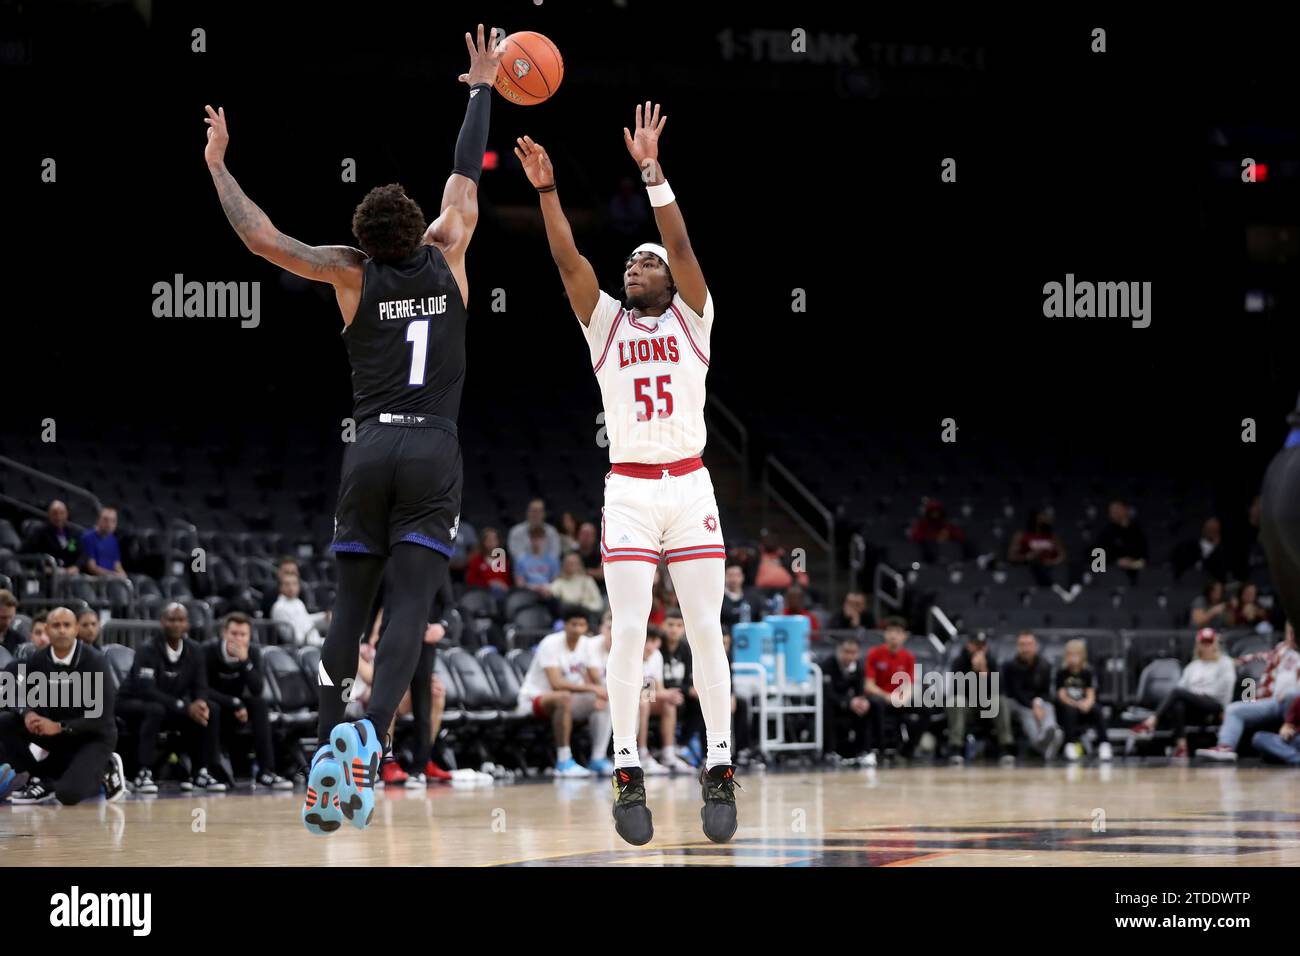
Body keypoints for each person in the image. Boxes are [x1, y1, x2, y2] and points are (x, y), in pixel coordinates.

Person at [204, 25, 503, 835]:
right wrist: (480, 88)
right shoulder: (451, 248)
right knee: (410, 604)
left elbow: (264, 239)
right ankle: (372, 738)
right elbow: (464, 175)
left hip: (368, 449)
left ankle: (335, 731)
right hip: (433, 446)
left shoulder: (347, 272)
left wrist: (220, 167)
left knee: (351, 602)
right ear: (420, 225)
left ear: (365, 240)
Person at [515, 102, 735, 845]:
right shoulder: (605, 321)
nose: (632, 267)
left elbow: (677, 236)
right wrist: (547, 192)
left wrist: (652, 173)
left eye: (645, 262)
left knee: (706, 629)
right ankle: (627, 769)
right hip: (633, 489)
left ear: (670, 278)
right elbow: (567, 260)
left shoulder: (694, 316)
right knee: (630, 629)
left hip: (691, 484)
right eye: (630, 262)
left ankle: (721, 766)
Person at [0, 607, 124, 805]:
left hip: (93, 736)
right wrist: (28, 713)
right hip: (57, 735)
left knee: (68, 795)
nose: (62, 630)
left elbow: (103, 716)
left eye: (67, 625)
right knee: (5, 721)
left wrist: (59, 726)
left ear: (76, 630)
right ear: (47, 630)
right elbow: (13, 695)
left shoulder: (95, 661)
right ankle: (40, 779)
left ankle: (106, 766)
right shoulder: (38, 660)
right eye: (56, 625)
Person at [118, 603, 226, 793]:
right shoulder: (147, 649)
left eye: (181, 620)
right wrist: (185, 707)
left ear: (187, 624)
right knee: (155, 709)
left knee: (211, 709)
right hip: (132, 702)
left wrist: (200, 702)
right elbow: (146, 690)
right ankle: (144, 772)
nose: (176, 624)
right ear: (162, 622)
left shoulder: (195, 650)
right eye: (171, 620)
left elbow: (200, 685)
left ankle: (201, 771)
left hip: (168, 703)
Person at [204, 612, 292, 789]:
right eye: (234, 633)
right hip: (215, 704)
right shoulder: (208, 651)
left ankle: (266, 771)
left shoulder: (252, 652)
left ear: (249, 636)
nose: (238, 639)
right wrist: (234, 703)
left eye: (243, 635)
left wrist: (245, 662)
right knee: (212, 707)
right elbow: (202, 689)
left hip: (238, 707)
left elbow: (257, 688)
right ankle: (212, 772)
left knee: (259, 704)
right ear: (224, 633)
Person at [515, 608, 605, 777]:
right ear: (565, 625)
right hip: (535, 698)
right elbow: (556, 683)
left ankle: (598, 758)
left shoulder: (587, 644)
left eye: (582, 625)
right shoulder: (550, 643)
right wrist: (593, 689)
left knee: (606, 701)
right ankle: (564, 760)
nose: (578, 629)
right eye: (574, 624)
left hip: (570, 699)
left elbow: (594, 676)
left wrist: (600, 692)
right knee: (563, 697)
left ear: (586, 627)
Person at [1197, 624, 1300, 762]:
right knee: (1234, 709)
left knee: (1293, 694)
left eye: (1295, 632)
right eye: (1290, 632)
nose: (1292, 636)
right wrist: (1235, 661)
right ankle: (1225, 747)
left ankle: (1290, 743)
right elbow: (1260, 656)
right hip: (1273, 701)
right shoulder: (1282, 649)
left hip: (1294, 701)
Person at [1133, 627, 1235, 759]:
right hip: (1194, 705)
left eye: (1209, 642)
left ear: (1215, 644)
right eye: (1204, 643)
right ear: (1198, 645)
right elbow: (1182, 687)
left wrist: (1197, 694)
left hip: (1215, 704)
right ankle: (1182, 747)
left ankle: (1151, 722)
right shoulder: (1193, 666)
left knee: (1177, 693)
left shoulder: (1225, 663)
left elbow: (1225, 688)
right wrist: (1192, 696)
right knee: (1178, 704)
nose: (1207, 646)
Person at [944, 632, 1014, 765]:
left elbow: (999, 690)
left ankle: (1006, 747)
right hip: (967, 708)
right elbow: (958, 690)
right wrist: (973, 673)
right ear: (968, 645)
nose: (979, 649)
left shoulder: (991, 662)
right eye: (976, 645)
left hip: (987, 708)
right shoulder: (959, 662)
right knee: (956, 701)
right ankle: (955, 748)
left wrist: (984, 674)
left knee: (1000, 701)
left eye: (982, 646)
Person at [864, 618, 922, 755]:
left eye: (897, 632)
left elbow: (909, 684)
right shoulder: (874, 653)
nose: (893, 636)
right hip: (880, 697)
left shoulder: (908, 657)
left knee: (925, 707)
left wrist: (903, 698)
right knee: (877, 704)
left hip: (899, 698)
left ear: (904, 636)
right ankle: (881, 749)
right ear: (884, 634)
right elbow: (869, 685)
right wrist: (887, 696)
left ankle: (909, 748)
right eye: (890, 631)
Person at [1003, 631, 1064, 760]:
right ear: (1018, 647)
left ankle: (1049, 731)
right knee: (1027, 713)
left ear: (1035, 646)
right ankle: (1045, 739)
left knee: (1048, 707)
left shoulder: (1045, 665)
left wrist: (1037, 702)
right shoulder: (1009, 666)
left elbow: (1046, 692)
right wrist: (1032, 705)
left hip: (1037, 701)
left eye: (1029, 644)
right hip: (1017, 703)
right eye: (1022, 644)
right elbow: (1015, 692)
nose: (1025, 648)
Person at [1054, 639, 1113, 762]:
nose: (1073, 658)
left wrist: (1086, 703)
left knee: (1097, 709)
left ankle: (1104, 744)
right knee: (1070, 710)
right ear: (1066, 656)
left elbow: (1091, 694)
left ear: (1082, 656)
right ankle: (1069, 744)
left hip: (1084, 708)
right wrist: (1076, 704)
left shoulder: (1087, 672)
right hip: (1068, 708)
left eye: (1076, 655)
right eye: (1070, 654)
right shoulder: (1061, 673)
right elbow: (1062, 695)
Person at [823, 635, 876, 766]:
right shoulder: (827, 665)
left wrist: (861, 701)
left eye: (854, 653)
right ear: (839, 650)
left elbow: (859, 691)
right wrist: (848, 703)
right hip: (831, 704)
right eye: (846, 652)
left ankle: (864, 751)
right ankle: (830, 752)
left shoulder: (858, 666)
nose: (850, 656)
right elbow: (828, 694)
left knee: (868, 706)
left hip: (848, 705)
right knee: (827, 707)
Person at [1008, 508, 1067, 586]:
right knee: (1036, 566)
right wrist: (1027, 557)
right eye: (1041, 518)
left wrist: (1051, 562)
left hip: (1050, 568)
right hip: (1029, 568)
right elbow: (1011, 556)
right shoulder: (1022, 536)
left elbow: (1062, 556)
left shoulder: (1052, 537)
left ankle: (1053, 586)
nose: (1045, 520)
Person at [1095, 499, 1148, 582]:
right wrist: (1117, 562)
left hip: (1135, 571)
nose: (1114, 513)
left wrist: (1132, 563)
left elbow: (1145, 558)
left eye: (1117, 509)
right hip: (1112, 573)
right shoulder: (1106, 532)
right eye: (1112, 511)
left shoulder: (1138, 530)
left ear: (1126, 510)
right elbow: (1098, 558)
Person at [270, 571, 328, 646]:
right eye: (287, 584)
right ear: (280, 587)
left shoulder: (298, 602)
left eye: (294, 584)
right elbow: (293, 638)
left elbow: (306, 619)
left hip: (314, 641)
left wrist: (324, 617)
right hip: (302, 647)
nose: (291, 588)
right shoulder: (279, 607)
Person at [21, 500, 80, 573]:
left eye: (62, 513)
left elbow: (80, 553)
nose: (59, 517)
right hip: (46, 575)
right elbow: (25, 553)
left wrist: (77, 566)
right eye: (55, 513)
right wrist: (42, 567)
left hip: (68, 574)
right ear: (49, 514)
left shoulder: (73, 532)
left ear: (67, 514)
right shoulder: (40, 531)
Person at [507, 498, 562, 564]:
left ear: (544, 514)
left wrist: (543, 564)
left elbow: (555, 553)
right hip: (524, 569)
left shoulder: (552, 531)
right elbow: (516, 554)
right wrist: (533, 564)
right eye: (534, 511)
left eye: (540, 511)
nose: (537, 514)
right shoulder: (516, 531)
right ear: (528, 512)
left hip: (547, 568)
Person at [550, 551, 604, 615]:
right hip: (566, 616)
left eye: (574, 563)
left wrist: (584, 607)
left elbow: (598, 604)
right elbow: (551, 592)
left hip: (587, 615)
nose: (571, 566)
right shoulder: (559, 582)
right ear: (564, 565)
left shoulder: (588, 581)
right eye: (569, 563)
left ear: (580, 565)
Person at [80, 507, 126, 577]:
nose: (109, 524)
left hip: (112, 579)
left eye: (113, 521)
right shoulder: (88, 537)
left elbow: (117, 564)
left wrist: (124, 575)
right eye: (105, 520)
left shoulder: (113, 540)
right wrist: (114, 575)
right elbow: (91, 567)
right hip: (95, 579)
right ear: (98, 520)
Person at [464, 526, 510, 593]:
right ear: (483, 542)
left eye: (494, 539)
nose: (492, 542)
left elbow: (508, 582)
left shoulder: (503, 561)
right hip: (481, 594)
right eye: (489, 540)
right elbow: (470, 581)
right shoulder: (476, 561)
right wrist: (488, 584)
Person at [0, 590, 22, 655]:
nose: (8, 622)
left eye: (11, 617)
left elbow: (22, 664)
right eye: (3, 617)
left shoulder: (18, 639)